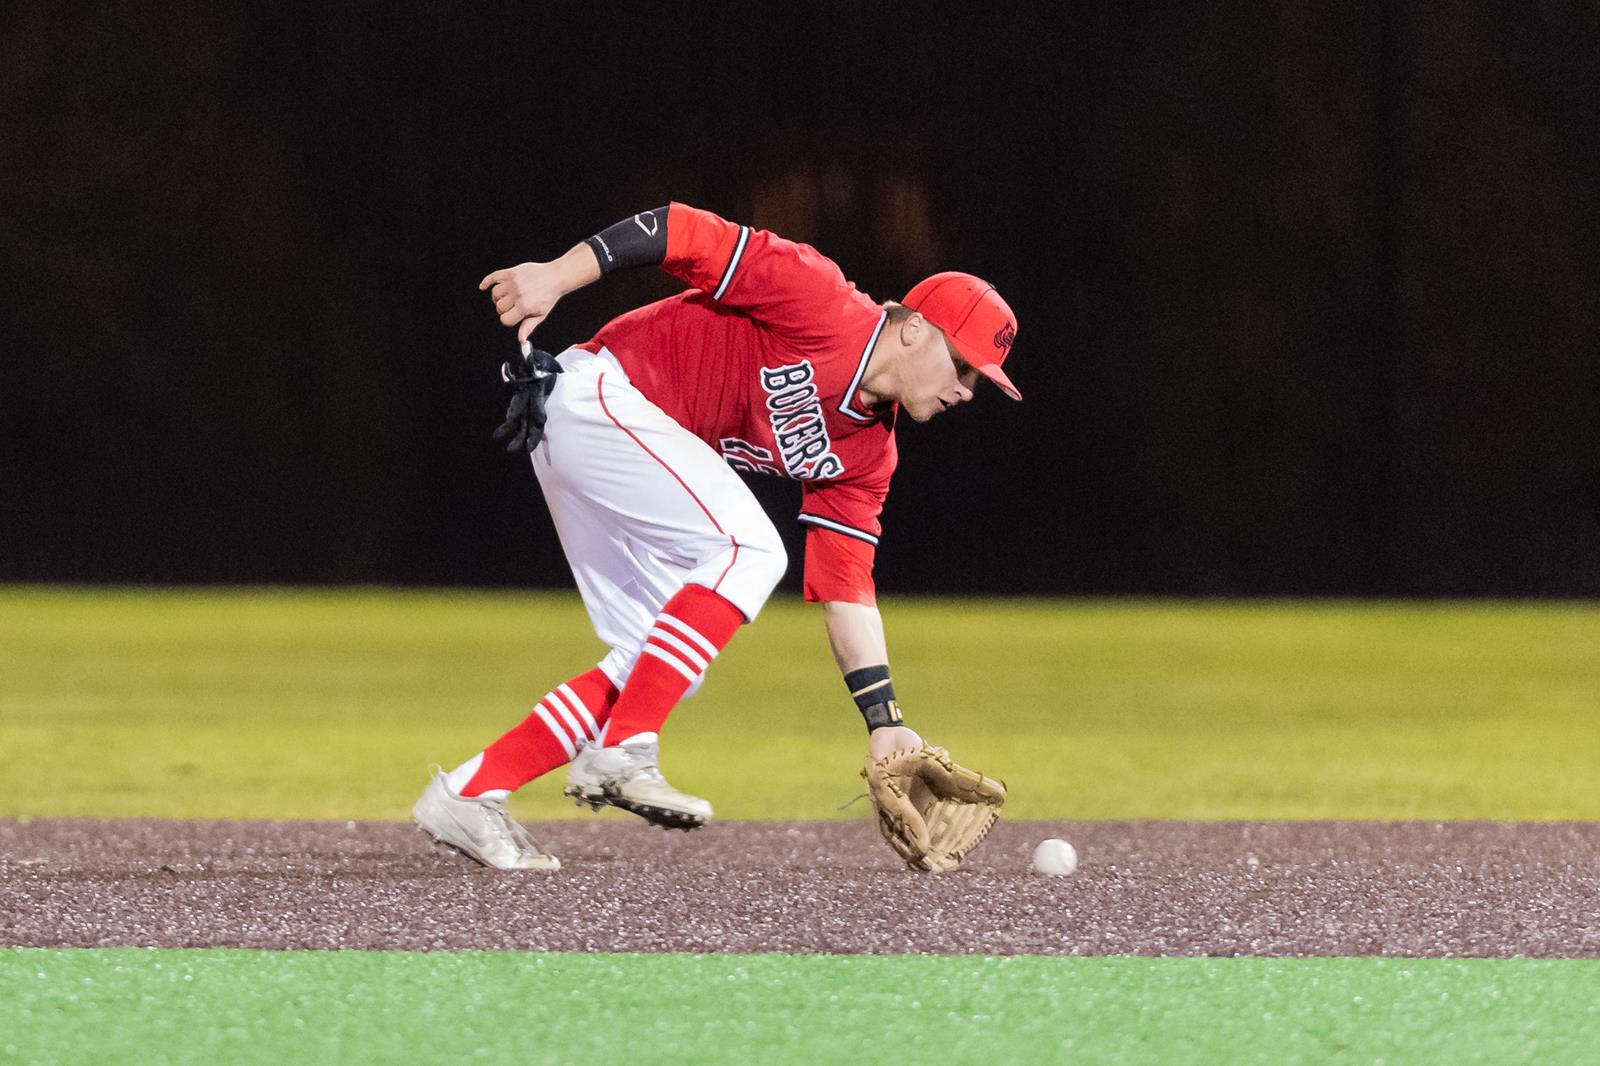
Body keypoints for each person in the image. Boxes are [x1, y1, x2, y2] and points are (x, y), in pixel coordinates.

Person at [413, 202, 1020, 870]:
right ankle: (625, 751)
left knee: (661, 660)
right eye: (964, 366)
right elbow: (677, 229)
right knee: (749, 550)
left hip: (605, 438)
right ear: (914, 332)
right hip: (598, 393)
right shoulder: (821, 297)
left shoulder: (867, 453)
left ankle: (469, 793)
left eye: (979, 381)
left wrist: (886, 723)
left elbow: (847, 589)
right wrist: (558, 275)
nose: (967, 389)